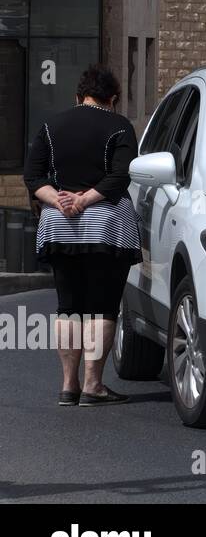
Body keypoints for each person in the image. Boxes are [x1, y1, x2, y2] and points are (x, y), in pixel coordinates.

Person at [23, 64, 141, 407]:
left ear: (78, 96)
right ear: (114, 99)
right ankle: (93, 385)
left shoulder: (50, 125)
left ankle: (67, 385)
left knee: (68, 306)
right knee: (103, 307)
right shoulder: (119, 126)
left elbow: (33, 176)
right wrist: (85, 199)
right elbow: (121, 176)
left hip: (59, 223)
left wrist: (62, 200)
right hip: (106, 224)